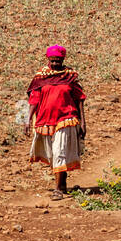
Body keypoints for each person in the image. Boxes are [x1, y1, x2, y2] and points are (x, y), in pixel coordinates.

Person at [25, 44, 86, 200]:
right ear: (48, 59)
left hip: (67, 118)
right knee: (54, 153)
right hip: (45, 119)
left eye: (58, 61)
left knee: (60, 151)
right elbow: (34, 100)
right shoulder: (41, 78)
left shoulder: (69, 76)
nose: (55, 64)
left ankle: (58, 189)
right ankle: (63, 184)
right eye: (52, 61)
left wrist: (83, 122)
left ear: (63, 59)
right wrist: (27, 119)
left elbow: (79, 99)